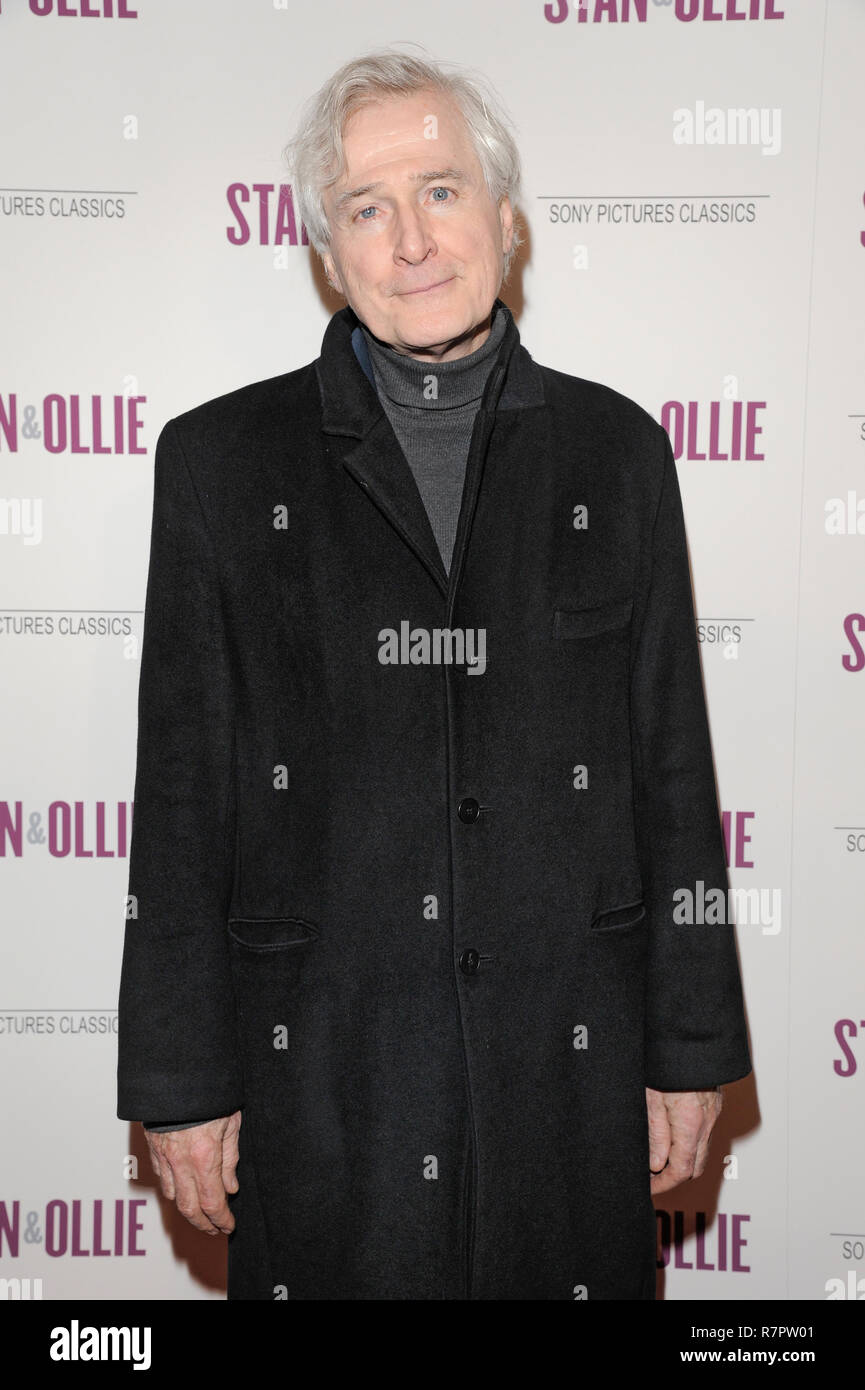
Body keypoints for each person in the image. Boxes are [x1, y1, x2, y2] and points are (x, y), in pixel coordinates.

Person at [117, 45, 751, 1301]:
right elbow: (183, 792)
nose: (411, 238)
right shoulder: (219, 466)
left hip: (564, 1058)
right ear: (325, 250)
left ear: (505, 219)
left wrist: (690, 1046)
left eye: (442, 190)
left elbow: (671, 767)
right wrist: (183, 1080)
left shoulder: (618, 453)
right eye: (367, 207)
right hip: (326, 1062)